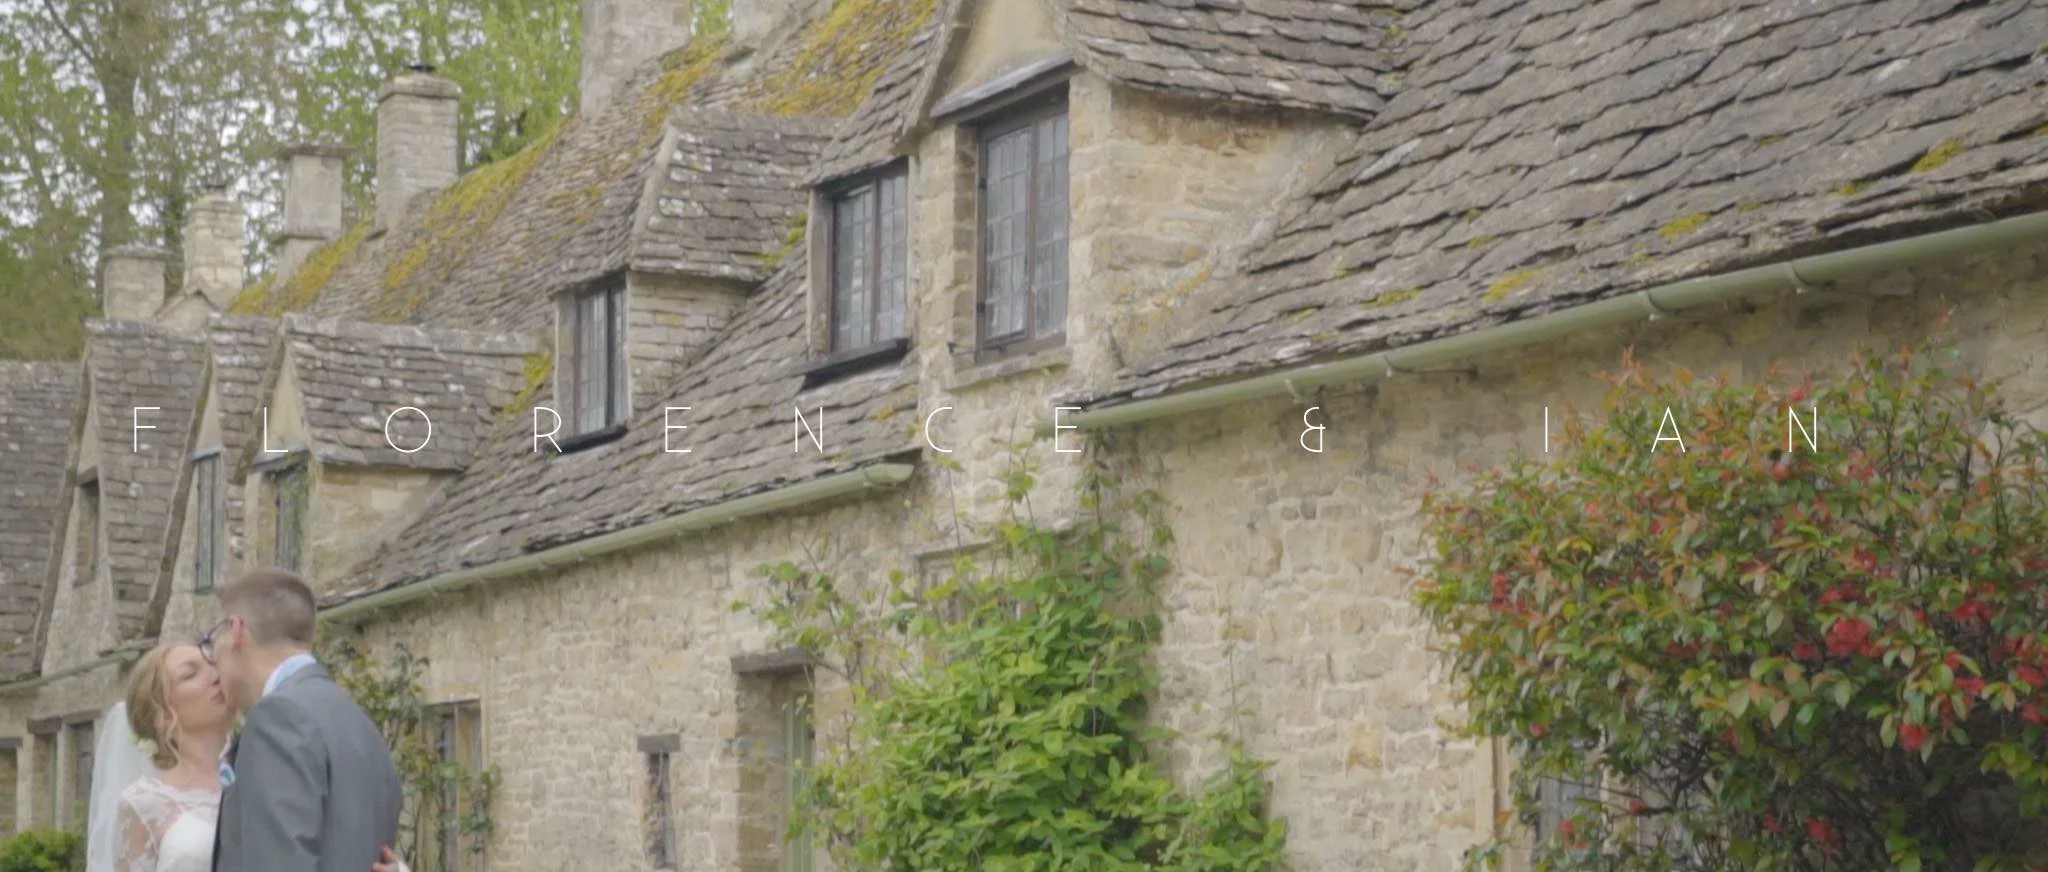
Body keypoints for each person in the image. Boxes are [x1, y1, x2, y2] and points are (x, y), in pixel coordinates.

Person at [83, 642, 410, 872]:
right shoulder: (143, 803)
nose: (213, 674)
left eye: (212, 664)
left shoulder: (272, 766)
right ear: (161, 713)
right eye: (189, 674)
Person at [204, 568, 407, 872]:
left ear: (235, 630)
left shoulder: (277, 719)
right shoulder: (359, 722)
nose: (212, 658)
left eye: (211, 640)